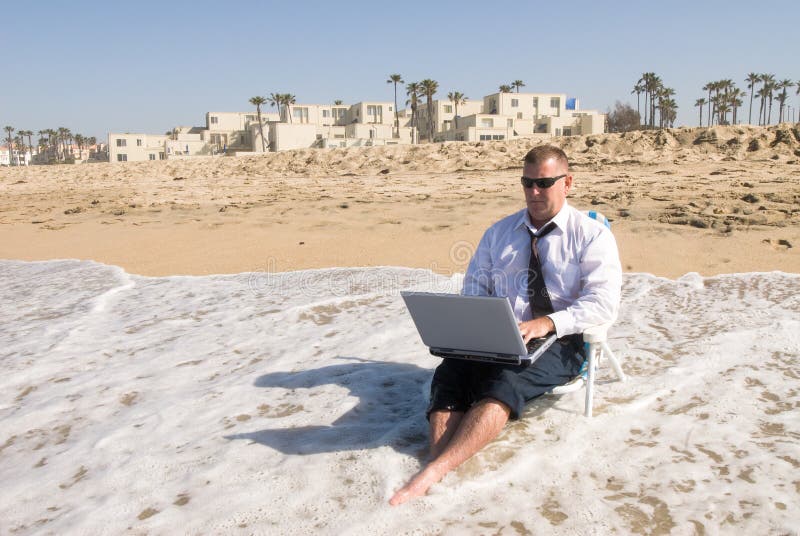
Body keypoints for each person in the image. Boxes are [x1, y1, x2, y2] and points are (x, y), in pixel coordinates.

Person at [389, 145, 622, 505]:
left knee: (505, 381)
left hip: (563, 338)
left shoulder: (591, 235)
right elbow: (475, 287)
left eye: (544, 183)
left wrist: (546, 322)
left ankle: (434, 471)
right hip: (500, 332)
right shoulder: (499, 233)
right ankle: (438, 460)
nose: (534, 192)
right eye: (527, 183)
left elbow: (602, 302)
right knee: (450, 373)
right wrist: (485, 319)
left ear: (568, 182)